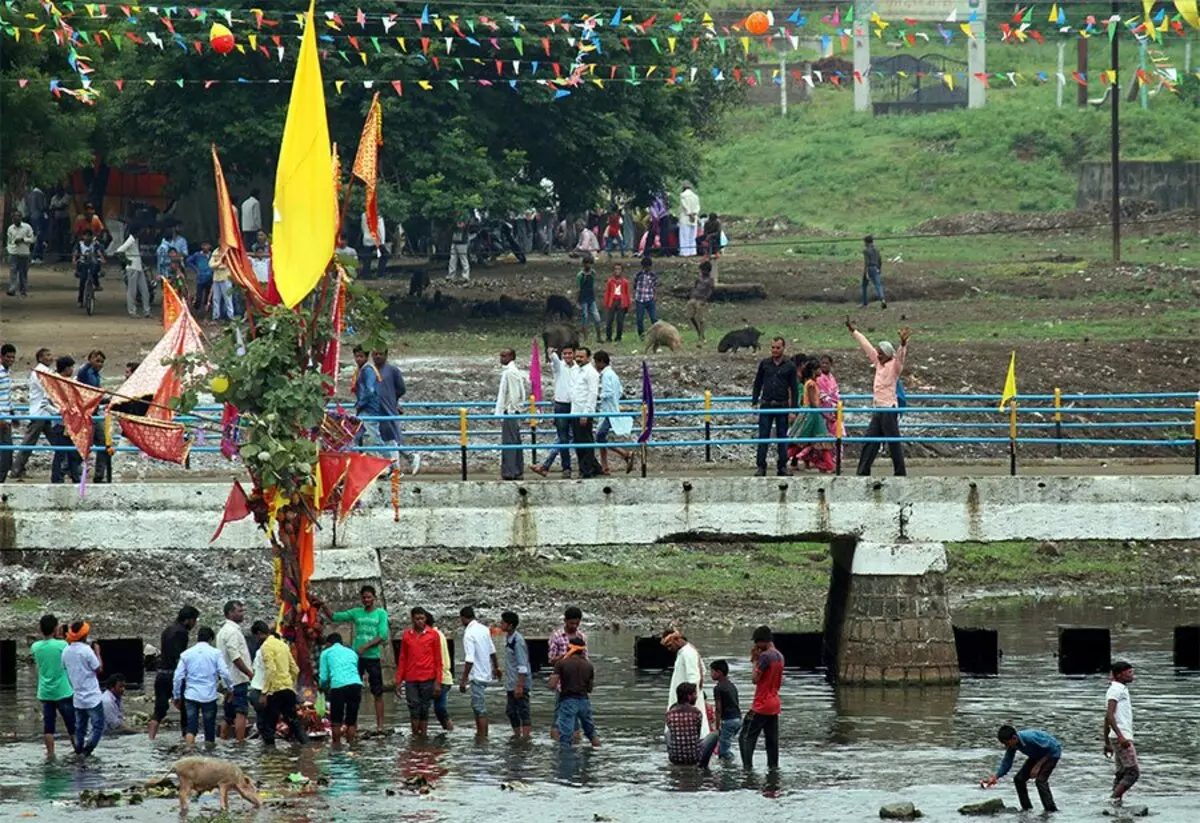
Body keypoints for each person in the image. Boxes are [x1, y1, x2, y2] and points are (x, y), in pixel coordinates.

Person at [322, 585, 390, 733]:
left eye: (369, 597)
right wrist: (323, 606)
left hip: (373, 657)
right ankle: (354, 724)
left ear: (374, 598)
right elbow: (334, 617)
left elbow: (382, 635)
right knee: (355, 691)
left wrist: (365, 647)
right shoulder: (356, 613)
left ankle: (380, 725)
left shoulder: (381, 614)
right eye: (364, 597)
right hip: (356, 658)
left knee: (377, 692)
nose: (366, 600)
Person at [847, 318, 910, 476]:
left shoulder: (895, 366)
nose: (878, 356)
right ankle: (862, 472)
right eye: (878, 354)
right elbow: (866, 346)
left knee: (893, 443)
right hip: (878, 409)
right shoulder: (878, 364)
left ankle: (900, 473)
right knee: (870, 441)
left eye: (881, 354)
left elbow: (901, 357)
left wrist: (903, 344)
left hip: (889, 409)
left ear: (888, 355)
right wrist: (854, 331)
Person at [173, 625, 233, 746]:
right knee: (209, 727)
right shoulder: (216, 653)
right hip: (209, 695)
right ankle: (209, 755)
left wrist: (177, 696)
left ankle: (189, 751)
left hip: (191, 695)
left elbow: (178, 677)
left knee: (191, 727)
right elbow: (225, 673)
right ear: (211, 639)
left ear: (197, 638)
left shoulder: (186, 654)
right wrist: (230, 688)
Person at [982, 725, 1062, 812]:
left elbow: (1055, 747)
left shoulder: (1031, 738)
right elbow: (1007, 762)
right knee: (1019, 779)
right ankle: (1027, 809)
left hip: (1051, 754)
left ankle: (1051, 810)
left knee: (1040, 781)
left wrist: (1038, 765)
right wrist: (995, 777)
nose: (1006, 746)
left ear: (1014, 737)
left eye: (1007, 743)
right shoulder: (1013, 744)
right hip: (1037, 755)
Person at [252, 620, 307, 745]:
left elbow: (270, 670)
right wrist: (289, 683)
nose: (257, 640)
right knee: (294, 722)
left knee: (268, 726)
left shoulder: (266, 647)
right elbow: (295, 669)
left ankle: (271, 756)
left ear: (259, 634)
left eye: (256, 636)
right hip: (288, 689)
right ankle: (306, 748)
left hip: (275, 691)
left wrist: (264, 693)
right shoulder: (282, 644)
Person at [148, 605, 198, 740]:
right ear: (188, 620)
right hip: (174, 675)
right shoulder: (182, 632)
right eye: (194, 620)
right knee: (185, 710)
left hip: (161, 674)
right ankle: (186, 739)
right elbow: (180, 657)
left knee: (158, 711)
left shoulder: (167, 630)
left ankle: (150, 740)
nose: (194, 624)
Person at [752, 338, 798, 477]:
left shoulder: (790, 366)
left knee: (782, 437)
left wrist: (794, 409)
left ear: (783, 348)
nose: (774, 350)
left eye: (777, 348)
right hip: (766, 404)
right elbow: (758, 383)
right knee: (763, 436)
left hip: (782, 405)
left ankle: (782, 466)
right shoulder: (765, 364)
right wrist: (754, 401)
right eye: (772, 348)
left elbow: (794, 389)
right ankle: (761, 466)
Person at [740, 625, 783, 771]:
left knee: (746, 736)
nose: (756, 646)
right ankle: (773, 767)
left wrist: (754, 660)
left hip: (762, 704)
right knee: (772, 741)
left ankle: (747, 769)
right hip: (774, 703)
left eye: (757, 643)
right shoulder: (779, 656)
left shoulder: (765, 656)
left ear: (763, 641)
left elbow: (755, 679)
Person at [394, 607, 443, 736]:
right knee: (413, 707)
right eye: (417, 619)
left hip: (428, 677)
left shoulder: (433, 635)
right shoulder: (406, 635)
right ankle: (416, 735)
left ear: (425, 618)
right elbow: (402, 658)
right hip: (411, 678)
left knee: (425, 708)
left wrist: (438, 682)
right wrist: (398, 681)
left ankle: (424, 735)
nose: (420, 621)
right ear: (412, 619)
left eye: (422, 618)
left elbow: (438, 660)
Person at [371, 350, 421, 476]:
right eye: (375, 354)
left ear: (386, 355)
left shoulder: (392, 371)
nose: (377, 356)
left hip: (388, 409)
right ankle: (392, 466)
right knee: (380, 438)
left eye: (380, 354)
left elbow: (401, 389)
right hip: (375, 409)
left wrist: (393, 400)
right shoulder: (370, 370)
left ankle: (398, 465)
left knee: (391, 438)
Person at [9, 347, 55, 481]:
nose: (50, 357)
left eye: (50, 354)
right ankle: (16, 469)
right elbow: (48, 389)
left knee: (56, 440)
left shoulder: (46, 371)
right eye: (47, 355)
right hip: (39, 412)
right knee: (29, 442)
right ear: (40, 358)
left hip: (46, 413)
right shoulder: (39, 372)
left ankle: (67, 467)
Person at [32, 614, 75, 758]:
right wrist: (62, 634)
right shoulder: (61, 645)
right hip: (62, 690)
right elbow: (69, 647)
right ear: (55, 628)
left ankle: (50, 754)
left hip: (45, 691)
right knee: (71, 725)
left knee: (48, 726)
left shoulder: (36, 647)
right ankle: (78, 749)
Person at [532, 345, 575, 478]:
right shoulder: (559, 367)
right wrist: (552, 354)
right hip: (561, 405)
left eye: (570, 353)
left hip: (575, 405)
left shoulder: (578, 369)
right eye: (565, 354)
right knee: (563, 438)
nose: (567, 356)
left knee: (575, 436)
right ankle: (565, 467)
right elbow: (555, 362)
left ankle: (547, 465)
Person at [62, 620, 104, 756]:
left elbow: (65, 668)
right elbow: (99, 669)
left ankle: (78, 750)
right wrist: (97, 652)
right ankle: (87, 751)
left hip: (78, 697)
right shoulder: (86, 651)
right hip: (92, 696)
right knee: (98, 725)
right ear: (84, 635)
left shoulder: (66, 651)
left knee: (80, 727)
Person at [549, 636, 600, 748]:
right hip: (584, 702)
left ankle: (567, 762)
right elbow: (589, 689)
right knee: (591, 734)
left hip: (568, 701)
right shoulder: (589, 666)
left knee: (565, 738)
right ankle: (599, 749)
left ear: (569, 648)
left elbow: (552, 685)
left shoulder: (562, 664)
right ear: (582, 650)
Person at [216, 600, 254, 743]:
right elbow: (235, 657)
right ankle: (240, 742)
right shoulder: (232, 632)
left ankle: (222, 740)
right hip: (238, 679)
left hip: (228, 680)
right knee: (241, 712)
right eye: (239, 611)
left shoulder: (223, 631)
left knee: (229, 715)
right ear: (230, 613)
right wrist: (250, 674)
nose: (242, 614)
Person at [788, 358, 836, 473]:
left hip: (812, 414)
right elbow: (813, 403)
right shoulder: (811, 384)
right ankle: (829, 466)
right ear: (814, 371)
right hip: (811, 415)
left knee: (816, 441)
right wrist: (825, 416)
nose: (821, 370)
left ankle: (829, 465)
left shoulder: (812, 383)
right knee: (814, 440)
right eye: (819, 368)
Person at [661, 630, 711, 739]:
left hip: (687, 703)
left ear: (677, 640)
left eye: (670, 645)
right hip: (685, 702)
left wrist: (688, 704)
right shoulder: (685, 652)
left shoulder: (688, 653)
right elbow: (703, 670)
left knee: (690, 734)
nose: (669, 649)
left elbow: (694, 678)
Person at [459, 606, 500, 738]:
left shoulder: (468, 634)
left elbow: (469, 659)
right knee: (478, 706)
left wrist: (463, 680)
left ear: (463, 618)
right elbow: (492, 651)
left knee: (479, 708)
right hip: (485, 672)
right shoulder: (484, 629)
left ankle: (482, 737)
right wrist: (496, 668)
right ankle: (480, 734)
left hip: (476, 674)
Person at [548, 606, 587, 740]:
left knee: (576, 716)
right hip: (561, 684)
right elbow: (551, 660)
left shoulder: (581, 636)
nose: (574, 626)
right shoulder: (557, 636)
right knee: (558, 715)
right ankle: (556, 744)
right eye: (571, 623)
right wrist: (566, 656)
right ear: (565, 621)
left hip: (578, 685)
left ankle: (575, 744)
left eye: (577, 623)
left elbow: (585, 660)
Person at [593, 351, 634, 475]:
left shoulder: (606, 376)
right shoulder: (613, 375)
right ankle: (605, 467)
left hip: (608, 411)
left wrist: (597, 396)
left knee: (599, 437)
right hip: (611, 409)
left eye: (596, 362)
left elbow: (608, 392)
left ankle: (625, 454)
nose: (595, 365)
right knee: (601, 437)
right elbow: (620, 391)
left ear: (601, 362)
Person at [320, 633, 363, 746]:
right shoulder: (352, 653)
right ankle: (351, 745)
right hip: (356, 685)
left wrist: (321, 687)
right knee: (351, 720)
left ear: (329, 643)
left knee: (336, 721)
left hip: (338, 686)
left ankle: (337, 747)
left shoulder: (326, 653)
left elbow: (323, 678)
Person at [1105, 661, 1139, 806]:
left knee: (1122, 772)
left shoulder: (1120, 689)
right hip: (1122, 737)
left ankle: (1116, 802)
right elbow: (1110, 715)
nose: (1132, 675)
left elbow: (1107, 717)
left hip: (1117, 736)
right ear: (1119, 675)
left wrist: (1107, 742)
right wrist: (1120, 736)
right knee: (1133, 773)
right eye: (1129, 673)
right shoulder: (1116, 690)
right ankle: (1113, 799)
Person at [76, 350, 112, 483]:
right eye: (97, 361)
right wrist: (102, 396)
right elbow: (89, 394)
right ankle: (68, 469)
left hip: (94, 414)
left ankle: (99, 476)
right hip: (86, 415)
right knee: (86, 445)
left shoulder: (96, 375)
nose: (100, 364)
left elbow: (95, 397)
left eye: (102, 362)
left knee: (104, 444)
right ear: (90, 359)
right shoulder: (85, 372)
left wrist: (105, 399)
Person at [494, 348, 529, 481]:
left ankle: (510, 471)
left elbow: (514, 395)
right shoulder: (512, 372)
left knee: (510, 442)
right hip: (511, 412)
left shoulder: (510, 373)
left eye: (504, 356)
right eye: (501, 355)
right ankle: (517, 469)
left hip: (510, 412)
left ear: (511, 357)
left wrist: (512, 410)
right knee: (515, 441)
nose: (501, 358)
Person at [568, 347, 603, 479]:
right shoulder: (576, 371)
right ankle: (593, 467)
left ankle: (587, 469)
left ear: (588, 358)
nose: (578, 359)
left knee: (585, 441)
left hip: (584, 412)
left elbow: (592, 394)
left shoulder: (591, 373)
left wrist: (586, 413)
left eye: (581, 357)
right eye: (577, 356)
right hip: (575, 411)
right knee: (578, 441)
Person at [699, 659, 740, 768]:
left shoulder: (718, 688)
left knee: (723, 751)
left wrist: (717, 727)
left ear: (719, 672)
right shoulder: (731, 685)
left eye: (712, 671)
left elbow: (718, 708)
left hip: (728, 721)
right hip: (737, 719)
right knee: (726, 745)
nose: (711, 674)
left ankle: (732, 767)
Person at [48, 356, 82, 485]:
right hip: (60, 424)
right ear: (67, 368)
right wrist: (59, 411)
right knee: (61, 453)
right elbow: (46, 402)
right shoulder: (54, 383)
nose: (73, 370)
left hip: (72, 423)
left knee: (73, 453)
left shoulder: (71, 383)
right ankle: (57, 479)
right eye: (72, 367)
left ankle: (75, 478)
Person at [500, 611, 532, 737]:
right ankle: (517, 736)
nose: (500, 625)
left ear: (510, 625)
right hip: (511, 682)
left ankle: (526, 737)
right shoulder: (509, 639)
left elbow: (522, 665)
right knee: (511, 712)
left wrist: (520, 685)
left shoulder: (518, 641)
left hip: (519, 683)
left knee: (523, 711)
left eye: (503, 623)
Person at [426, 612, 455, 731]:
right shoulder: (439, 634)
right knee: (438, 709)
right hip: (443, 676)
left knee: (439, 708)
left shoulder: (434, 635)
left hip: (440, 677)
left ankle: (449, 729)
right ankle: (448, 730)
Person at [665, 682, 704, 765]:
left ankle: (675, 754)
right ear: (689, 697)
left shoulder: (669, 714)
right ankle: (704, 763)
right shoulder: (697, 713)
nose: (696, 697)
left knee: (667, 733)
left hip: (675, 759)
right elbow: (698, 733)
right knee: (713, 736)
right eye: (695, 694)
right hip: (694, 758)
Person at [115, 229, 150, 318]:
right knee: (132, 291)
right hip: (132, 268)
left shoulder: (136, 241)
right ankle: (132, 311)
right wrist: (128, 262)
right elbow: (118, 252)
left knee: (145, 290)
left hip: (139, 268)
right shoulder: (130, 239)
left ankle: (147, 311)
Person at [6, 210, 35, 297]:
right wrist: (9, 249)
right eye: (14, 217)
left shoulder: (27, 227)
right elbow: (9, 241)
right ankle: (12, 288)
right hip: (14, 252)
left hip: (24, 253)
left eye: (18, 216)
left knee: (23, 273)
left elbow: (32, 239)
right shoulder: (10, 228)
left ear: (21, 218)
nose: (16, 218)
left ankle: (23, 290)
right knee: (13, 271)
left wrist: (23, 240)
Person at [73, 229, 105, 306]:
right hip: (83, 263)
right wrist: (74, 261)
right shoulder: (79, 244)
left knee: (94, 271)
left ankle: (96, 284)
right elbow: (75, 254)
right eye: (85, 235)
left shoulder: (95, 244)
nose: (87, 237)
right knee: (82, 280)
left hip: (93, 263)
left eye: (89, 235)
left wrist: (103, 259)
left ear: (91, 236)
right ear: (83, 236)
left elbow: (99, 252)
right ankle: (80, 300)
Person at [686, 260, 715, 346]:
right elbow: (694, 287)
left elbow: (710, 291)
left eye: (703, 270)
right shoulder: (699, 278)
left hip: (701, 300)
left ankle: (702, 335)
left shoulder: (710, 280)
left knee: (700, 319)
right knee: (690, 316)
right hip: (694, 298)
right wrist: (691, 296)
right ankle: (699, 332)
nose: (701, 272)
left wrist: (705, 300)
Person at [602, 263, 631, 343]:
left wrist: (628, 304)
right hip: (612, 301)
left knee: (620, 321)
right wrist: (606, 304)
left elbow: (627, 293)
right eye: (616, 269)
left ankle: (618, 337)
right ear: (613, 271)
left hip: (621, 302)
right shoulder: (610, 281)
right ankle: (608, 337)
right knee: (609, 320)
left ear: (622, 271)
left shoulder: (625, 282)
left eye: (619, 269)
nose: (617, 271)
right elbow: (607, 293)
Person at [576, 255, 602, 343]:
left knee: (597, 318)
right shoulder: (580, 275)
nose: (589, 266)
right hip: (583, 299)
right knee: (585, 318)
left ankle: (599, 337)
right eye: (587, 264)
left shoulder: (593, 273)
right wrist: (577, 301)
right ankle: (585, 338)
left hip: (591, 298)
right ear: (583, 264)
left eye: (590, 264)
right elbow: (578, 288)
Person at [0, 343, 16, 483]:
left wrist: (12, 413)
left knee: (7, 451)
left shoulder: (7, 372)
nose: (10, 360)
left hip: (7, 418)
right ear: (1, 357)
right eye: (8, 357)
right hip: (1, 420)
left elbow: (6, 396)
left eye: (12, 357)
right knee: (6, 451)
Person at [633, 257, 659, 339]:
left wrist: (655, 296)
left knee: (654, 319)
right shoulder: (638, 275)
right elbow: (635, 285)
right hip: (640, 299)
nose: (647, 268)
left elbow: (654, 286)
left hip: (649, 298)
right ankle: (641, 336)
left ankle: (656, 335)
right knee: (639, 319)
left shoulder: (653, 275)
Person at [186, 242, 215, 315]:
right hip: (200, 278)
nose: (205, 247)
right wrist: (196, 269)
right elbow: (188, 261)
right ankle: (195, 310)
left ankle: (206, 312)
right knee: (199, 296)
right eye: (204, 245)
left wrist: (212, 271)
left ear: (210, 246)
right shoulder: (197, 255)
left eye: (207, 245)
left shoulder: (212, 255)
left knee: (208, 296)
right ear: (201, 246)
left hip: (210, 278)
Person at [359, 211, 388, 279]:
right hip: (377, 240)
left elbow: (362, 227)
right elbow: (381, 230)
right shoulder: (378, 217)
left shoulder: (364, 215)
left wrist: (365, 234)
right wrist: (382, 242)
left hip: (367, 239)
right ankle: (380, 274)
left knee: (367, 257)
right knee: (385, 255)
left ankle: (366, 275)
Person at [209, 246, 235, 322]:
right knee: (215, 298)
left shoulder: (229, 251)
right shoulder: (216, 251)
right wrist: (220, 263)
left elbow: (228, 265)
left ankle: (230, 316)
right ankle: (216, 316)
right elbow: (210, 264)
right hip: (216, 278)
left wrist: (217, 265)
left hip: (226, 278)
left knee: (228, 298)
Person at [861, 235, 886, 309]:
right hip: (876, 268)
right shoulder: (877, 250)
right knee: (878, 285)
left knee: (864, 286)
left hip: (869, 268)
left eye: (864, 242)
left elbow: (867, 263)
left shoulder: (866, 250)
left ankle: (865, 303)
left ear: (866, 242)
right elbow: (880, 261)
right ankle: (883, 300)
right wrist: (879, 269)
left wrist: (866, 273)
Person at [679, 183, 700, 257]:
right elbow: (698, 207)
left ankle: (685, 252)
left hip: (685, 217)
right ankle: (692, 251)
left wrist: (689, 214)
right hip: (694, 218)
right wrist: (694, 214)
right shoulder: (695, 196)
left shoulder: (683, 195)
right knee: (693, 236)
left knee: (685, 235)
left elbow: (685, 206)